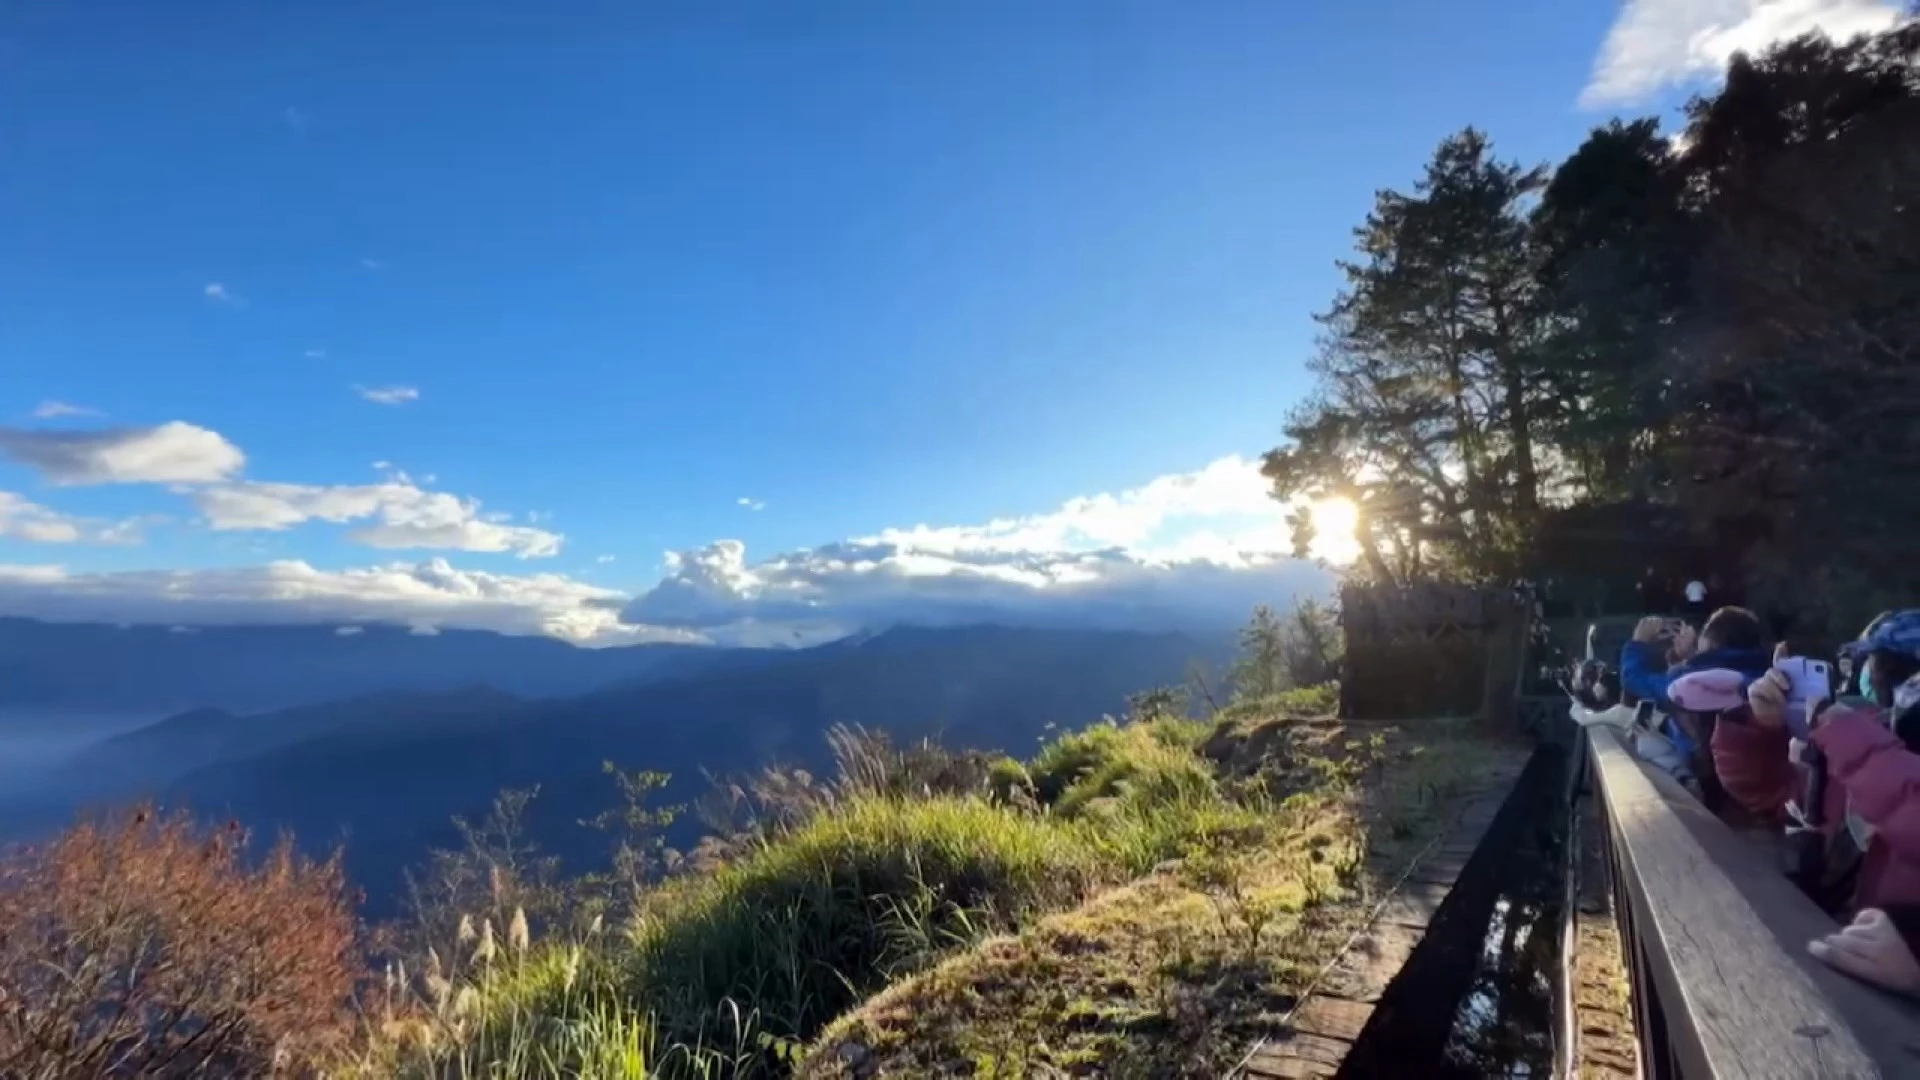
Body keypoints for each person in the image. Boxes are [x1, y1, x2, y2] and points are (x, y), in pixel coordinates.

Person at [1712, 610, 1920, 992]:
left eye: (1879, 665)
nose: (1868, 673)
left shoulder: (1859, 741)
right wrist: (1759, 727)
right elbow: (1769, 793)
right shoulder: (1861, 740)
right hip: (1837, 978)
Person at [1621, 607, 1774, 799]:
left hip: (1706, 782)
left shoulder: (1687, 680)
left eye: (1702, 634)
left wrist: (1639, 643)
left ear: (1712, 642)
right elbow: (1723, 668)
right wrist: (1691, 658)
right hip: (1760, 777)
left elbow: (1635, 679)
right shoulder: (1768, 677)